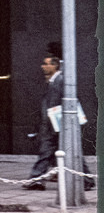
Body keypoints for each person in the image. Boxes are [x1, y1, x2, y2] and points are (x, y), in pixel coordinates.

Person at [23, 53, 94, 191]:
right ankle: (86, 180)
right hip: (54, 125)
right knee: (65, 152)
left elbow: (60, 103)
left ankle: (36, 179)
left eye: (46, 64)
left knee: (49, 152)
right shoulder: (54, 81)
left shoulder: (59, 80)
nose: (42, 66)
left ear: (54, 66)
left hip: (56, 125)